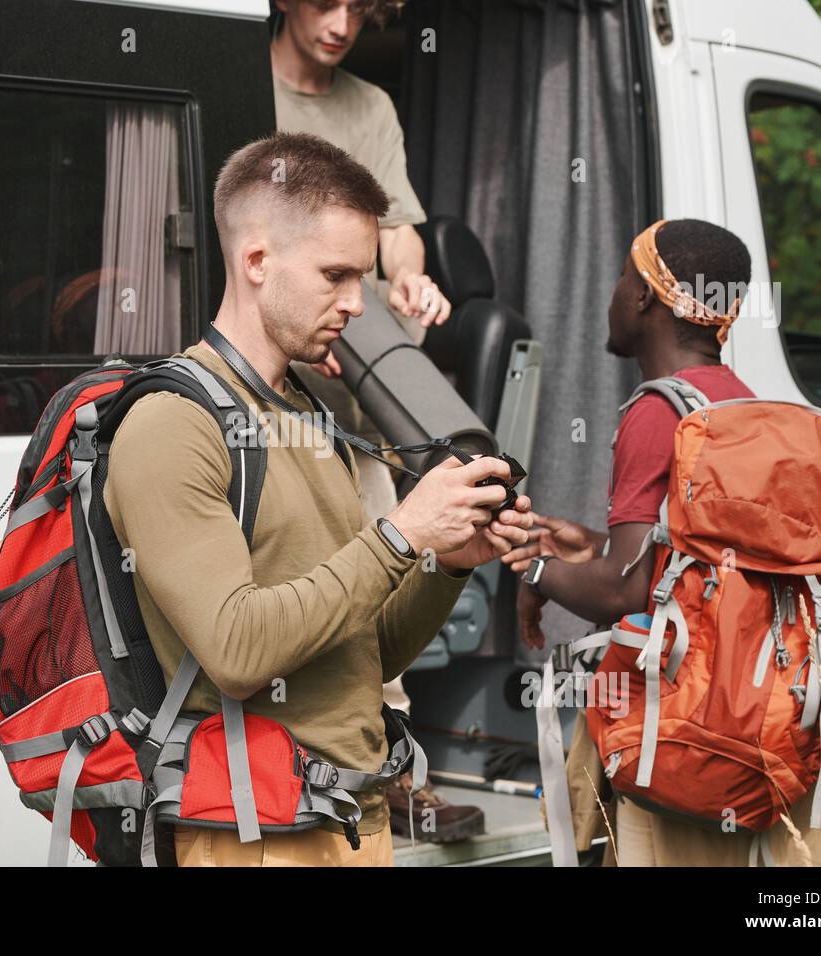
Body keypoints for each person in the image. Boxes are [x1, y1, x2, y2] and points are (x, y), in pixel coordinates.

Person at [103, 131, 534, 866]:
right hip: (254, 829)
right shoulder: (172, 421)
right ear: (257, 261)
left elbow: (366, 650)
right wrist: (400, 534)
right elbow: (240, 651)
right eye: (336, 275)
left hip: (351, 816)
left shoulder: (309, 415)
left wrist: (447, 562)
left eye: (361, 279)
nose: (356, 305)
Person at [502, 218, 821, 866]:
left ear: (643, 298)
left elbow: (624, 590)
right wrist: (592, 544)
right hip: (745, 729)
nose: (613, 292)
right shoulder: (742, 406)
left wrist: (528, 568)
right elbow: (697, 563)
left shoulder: (657, 412)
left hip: (676, 735)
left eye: (623, 277)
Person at [271, 0, 484, 840]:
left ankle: (390, 774)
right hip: (260, 395)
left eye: (361, 8)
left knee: (380, 569)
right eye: (326, 1)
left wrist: (406, 284)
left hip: (350, 404)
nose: (342, 22)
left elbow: (398, 233)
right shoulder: (236, 79)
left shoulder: (370, 107)